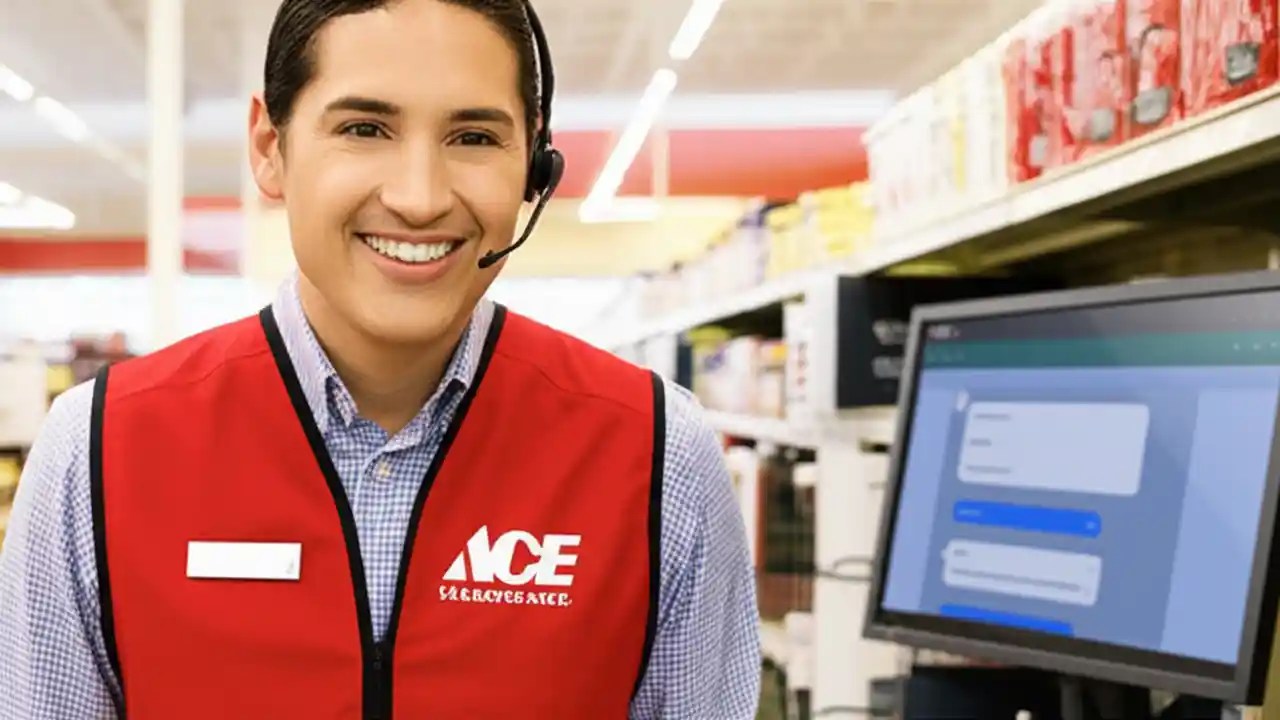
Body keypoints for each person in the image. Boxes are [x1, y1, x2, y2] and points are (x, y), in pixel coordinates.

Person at [0, 0, 761, 717]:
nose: (421, 197)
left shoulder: (659, 455)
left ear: (533, 165)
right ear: (271, 147)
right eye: (365, 129)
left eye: (473, 138)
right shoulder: (99, 452)